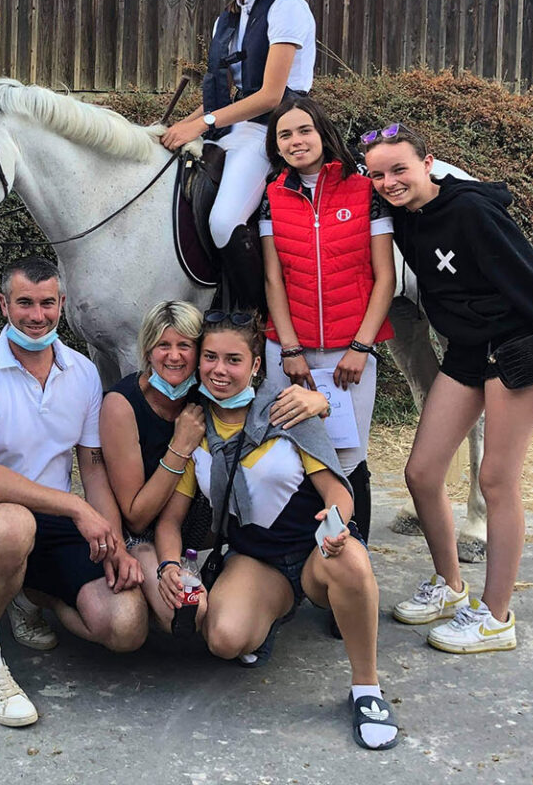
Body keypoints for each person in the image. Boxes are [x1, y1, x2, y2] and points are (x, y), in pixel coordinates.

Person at [362, 123, 533, 653]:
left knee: (496, 480)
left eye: (400, 169)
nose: (389, 181)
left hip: (517, 346)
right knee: (421, 473)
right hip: (468, 350)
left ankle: (496, 616)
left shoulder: (472, 212)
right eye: (378, 174)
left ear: (428, 163)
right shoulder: (402, 217)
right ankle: (450, 587)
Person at [154, 312, 399, 751]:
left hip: (312, 553)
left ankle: (367, 690)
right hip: (257, 560)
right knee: (225, 640)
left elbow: (336, 493)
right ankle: (270, 614)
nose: (219, 369)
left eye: (233, 359)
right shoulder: (195, 427)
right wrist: (170, 566)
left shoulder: (289, 409)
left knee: (348, 559)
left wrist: (336, 526)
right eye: (209, 357)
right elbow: (172, 519)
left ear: (255, 366)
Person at [0, 257, 146, 729]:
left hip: (46, 518)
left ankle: (24, 588)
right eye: (24, 303)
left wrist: (111, 538)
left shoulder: (84, 372)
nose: (37, 315)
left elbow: (91, 468)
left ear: (61, 304)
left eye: (47, 303)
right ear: (4, 304)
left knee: (125, 626)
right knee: (12, 526)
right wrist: (75, 508)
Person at [159, 0, 317, 314]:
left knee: (225, 220)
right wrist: (182, 124)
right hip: (234, 125)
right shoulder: (225, 20)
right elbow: (224, 94)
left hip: (276, 125)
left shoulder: (286, 6)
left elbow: (268, 95)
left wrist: (204, 123)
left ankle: (253, 315)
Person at [259, 95, 395, 538]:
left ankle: (352, 558)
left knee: (348, 458)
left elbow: (384, 278)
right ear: (276, 146)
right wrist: (290, 349)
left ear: (322, 133)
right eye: (285, 134)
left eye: (304, 130)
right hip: (290, 352)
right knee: (289, 450)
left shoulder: (362, 190)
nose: (296, 141)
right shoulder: (271, 196)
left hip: (349, 354)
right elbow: (273, 281)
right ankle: (296, 554)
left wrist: (360, 347)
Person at [96, 300, 210, 629]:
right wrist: (180, 445)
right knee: (185, 614)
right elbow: (136, 515)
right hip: (141, 535)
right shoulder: (122, 404)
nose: (174, 356)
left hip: (193, 521)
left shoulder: (204, 393)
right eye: (163, 345)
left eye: (184, 346)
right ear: (148, 351)